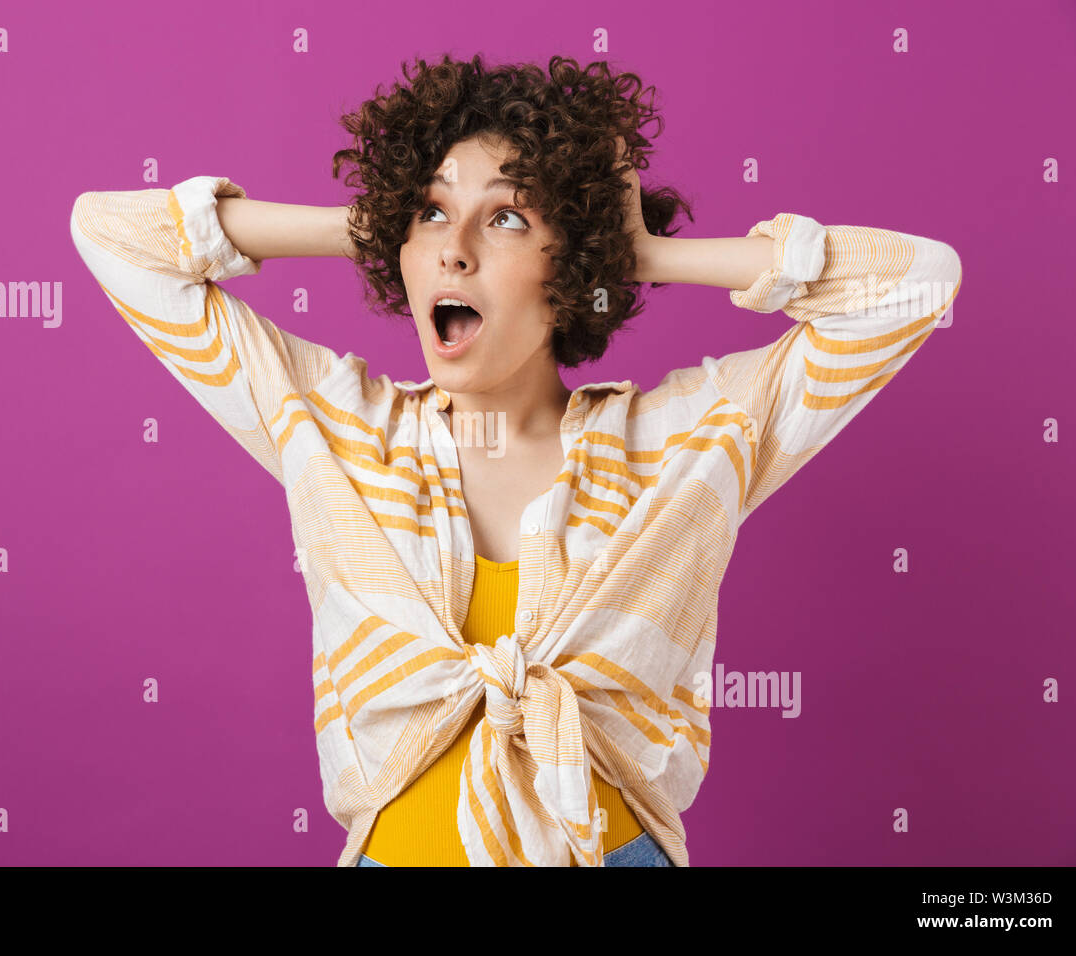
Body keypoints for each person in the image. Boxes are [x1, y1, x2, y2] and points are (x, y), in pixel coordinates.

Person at [69, 53, 962, 867]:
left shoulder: (681, 448)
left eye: (504, 217)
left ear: (572, 262)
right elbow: (111, 235)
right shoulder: (337, 429)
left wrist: (645, 253)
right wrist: (377, 222)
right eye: (431, 212)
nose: (453, 247)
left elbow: (918, 283)